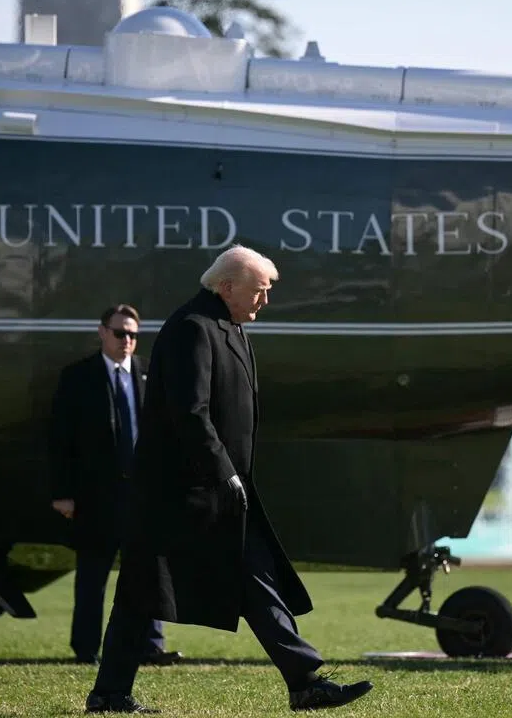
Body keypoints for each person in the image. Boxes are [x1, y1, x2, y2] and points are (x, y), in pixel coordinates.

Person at [85, 247, 372, 714]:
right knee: (142, 589)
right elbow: (190, 412)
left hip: (216, 488)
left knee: (255, 577)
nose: (264, 301)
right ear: (227, 286)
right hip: (180, 491)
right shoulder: (194, 328)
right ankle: (109, 693)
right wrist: (222, 471)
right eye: (259, 291)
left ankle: (304, 682)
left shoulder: (227, 324)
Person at [50, 304, 183, 667]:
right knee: (92, 578)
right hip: (96, 497)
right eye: (121, 333)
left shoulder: (147, 375)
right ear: (102, 332)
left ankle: (151, 646)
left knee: (150, 576)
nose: (128, 341)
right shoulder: (78, 377)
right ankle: (86, 649)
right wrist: (62, 493)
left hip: (143, 497)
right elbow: (60, 440)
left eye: (134, 335)